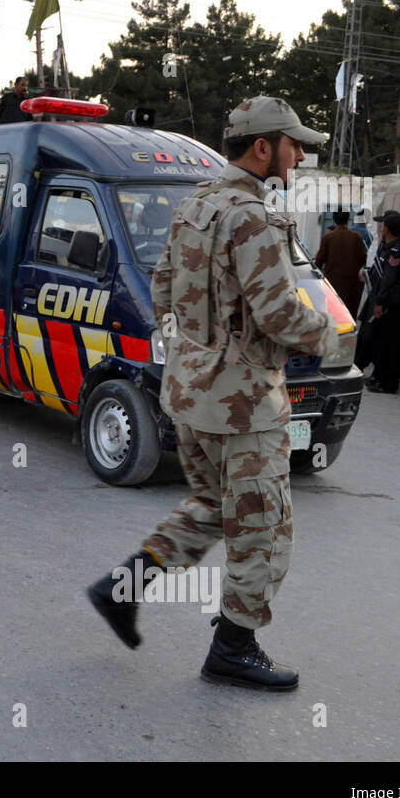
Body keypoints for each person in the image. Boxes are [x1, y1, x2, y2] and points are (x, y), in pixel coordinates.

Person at [86, 96, 340, 692]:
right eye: (292, 144)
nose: (299, 154)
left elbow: (163, 287)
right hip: (245, 405)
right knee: (263, 525)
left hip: (192, 396)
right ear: (262, 148)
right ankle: (233, 648)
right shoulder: (254, 215)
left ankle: (121, 590)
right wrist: (334, 337)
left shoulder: (195, 205)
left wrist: (190, 354)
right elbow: (279, 313)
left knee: (213, 508)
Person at [365, 210, 400, 394]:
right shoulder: (389, 245)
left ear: (387, 229)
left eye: (382, 225)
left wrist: (379, 302)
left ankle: (388, 384)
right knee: (380, 343)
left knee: (390, 346)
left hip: (393, 304)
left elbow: (389, 278)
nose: (380, 228)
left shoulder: (397, 249)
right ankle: (379, 377)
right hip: (388, 302)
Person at [314, 208, 367, 316]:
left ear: (334, 219)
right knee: (348, 315)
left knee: (333, 314)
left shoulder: (328, 237)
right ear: (348, 219)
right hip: (351, 286)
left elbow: (318, 261)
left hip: (333, 284)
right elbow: (364, 259)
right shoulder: (356, 237)